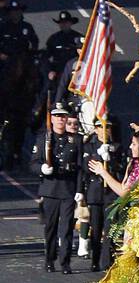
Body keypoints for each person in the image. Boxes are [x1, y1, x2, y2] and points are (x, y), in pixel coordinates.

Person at [34, 102, 82, 272]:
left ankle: (65, 262)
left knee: (67, 227)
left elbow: (79, 167)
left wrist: (79, 190)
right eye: (57, 116)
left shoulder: (75, 140)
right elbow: (33, 164)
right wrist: (42, 168)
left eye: (63, 116)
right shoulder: (44, 138)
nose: (60, 119)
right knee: (50, 227)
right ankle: (49, 259)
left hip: (68, 189)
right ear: (51, 119)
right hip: (50, 190)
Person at [77, 117, 118, 272]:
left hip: (111, 193)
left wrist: (111, 159)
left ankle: (108, 262)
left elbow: (121, 168)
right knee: (96, 228)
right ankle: (95, 260)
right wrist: (100, 156)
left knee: (110, 230)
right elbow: (86, 168)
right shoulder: (90, 147)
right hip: (95, 193)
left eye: (107, 126)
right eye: (100, 126)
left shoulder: (116, 147)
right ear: (95, 129)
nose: (104, 129)